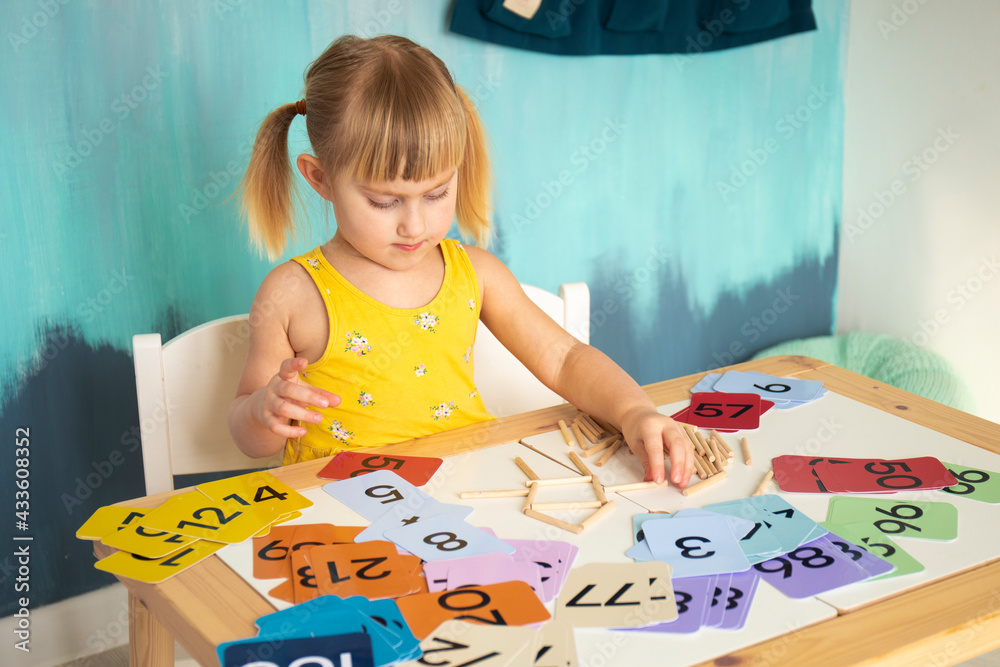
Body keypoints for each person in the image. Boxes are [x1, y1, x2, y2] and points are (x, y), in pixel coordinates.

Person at [227, 34, 693, 487]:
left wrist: (635, 411)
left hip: (465, 496)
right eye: (384, 202)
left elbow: (564, 358)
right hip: (342, 518)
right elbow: (252, 439)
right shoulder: (291, 293)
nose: (415, 225)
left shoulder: (474, 272)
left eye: (436, 193)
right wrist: (263, 410)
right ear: (319, 177)